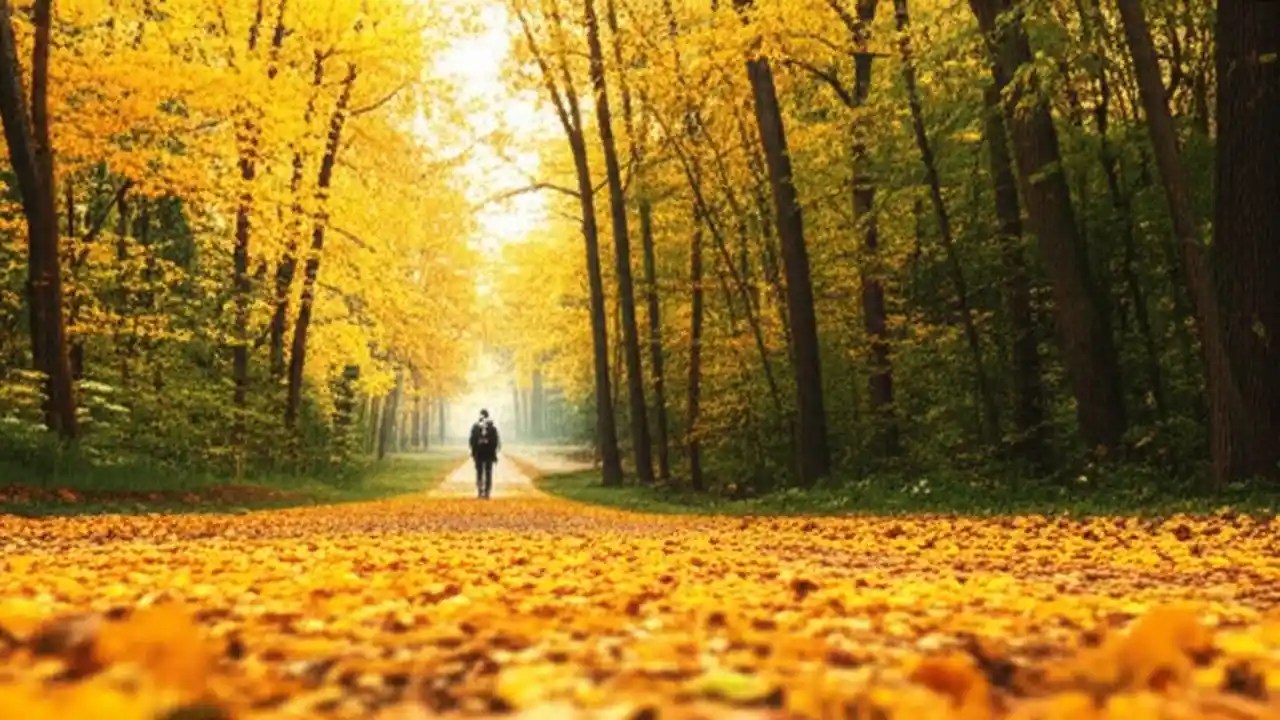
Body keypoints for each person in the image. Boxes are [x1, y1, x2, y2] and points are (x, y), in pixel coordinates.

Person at [468, 409, 501, 499]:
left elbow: (472, 441)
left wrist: (474, 450)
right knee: (487, 472)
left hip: (481, 453)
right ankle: (485, 491)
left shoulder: (476, 427)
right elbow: (496, 441)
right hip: (487, 454)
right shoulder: (492, 428)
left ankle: (481, 491)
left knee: (481, 472)